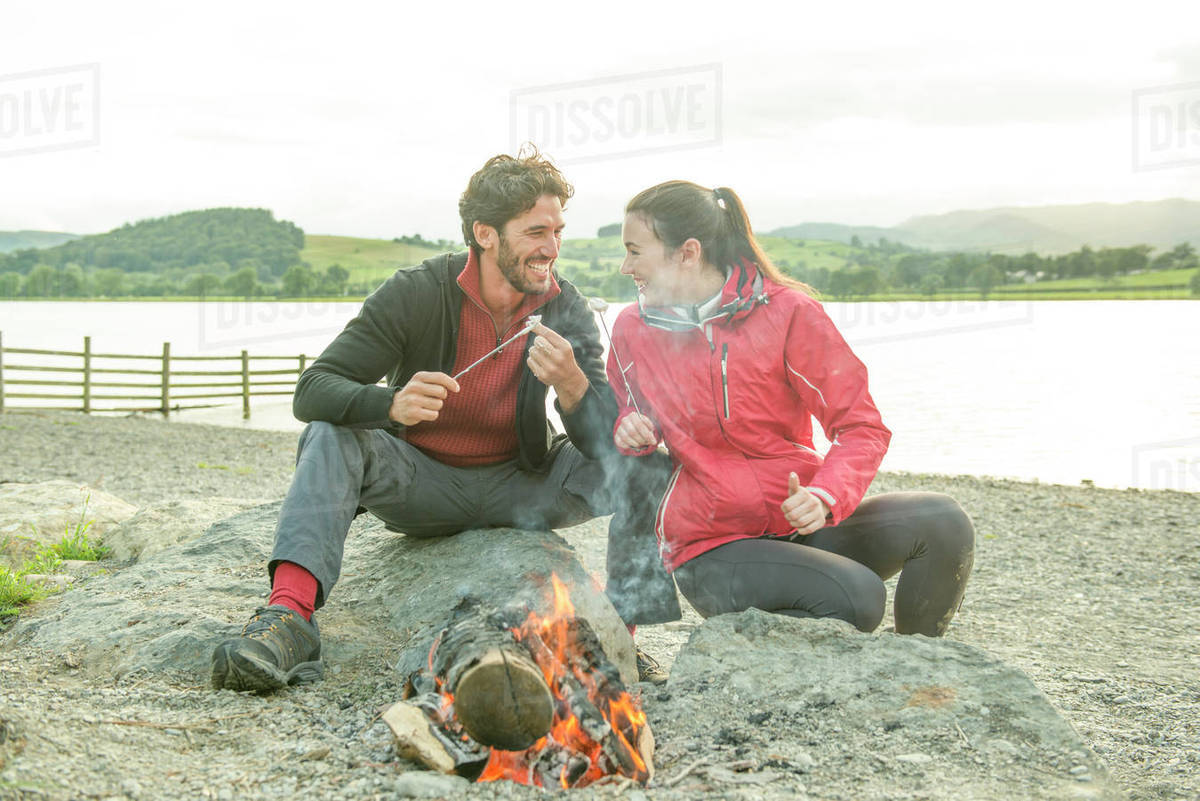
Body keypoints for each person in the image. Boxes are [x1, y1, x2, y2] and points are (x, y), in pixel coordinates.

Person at [211, 148, 623, 692]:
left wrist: (572, 384)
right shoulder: (417, 292)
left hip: (524, 486)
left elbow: (605, 446)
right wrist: (390, 404)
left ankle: (625, 632)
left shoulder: (566, 306)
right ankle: (289, 619)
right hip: (421, 486)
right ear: (485, 234)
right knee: (330, 434)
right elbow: (313, 389)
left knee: (643, 464)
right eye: (535, 232)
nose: (551, 248)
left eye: (558, 231)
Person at [606, 180, 975, 636]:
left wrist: (825, 496)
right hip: (712, 547)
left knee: (942, 522)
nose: (626, 266)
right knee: (859, 596)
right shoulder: (631, 329)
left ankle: (920, 675)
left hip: (797, 524)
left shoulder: (789, 314)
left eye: (635, 251)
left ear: (688, 252)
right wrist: (629, 426)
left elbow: (861, 426)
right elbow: (627, 409)